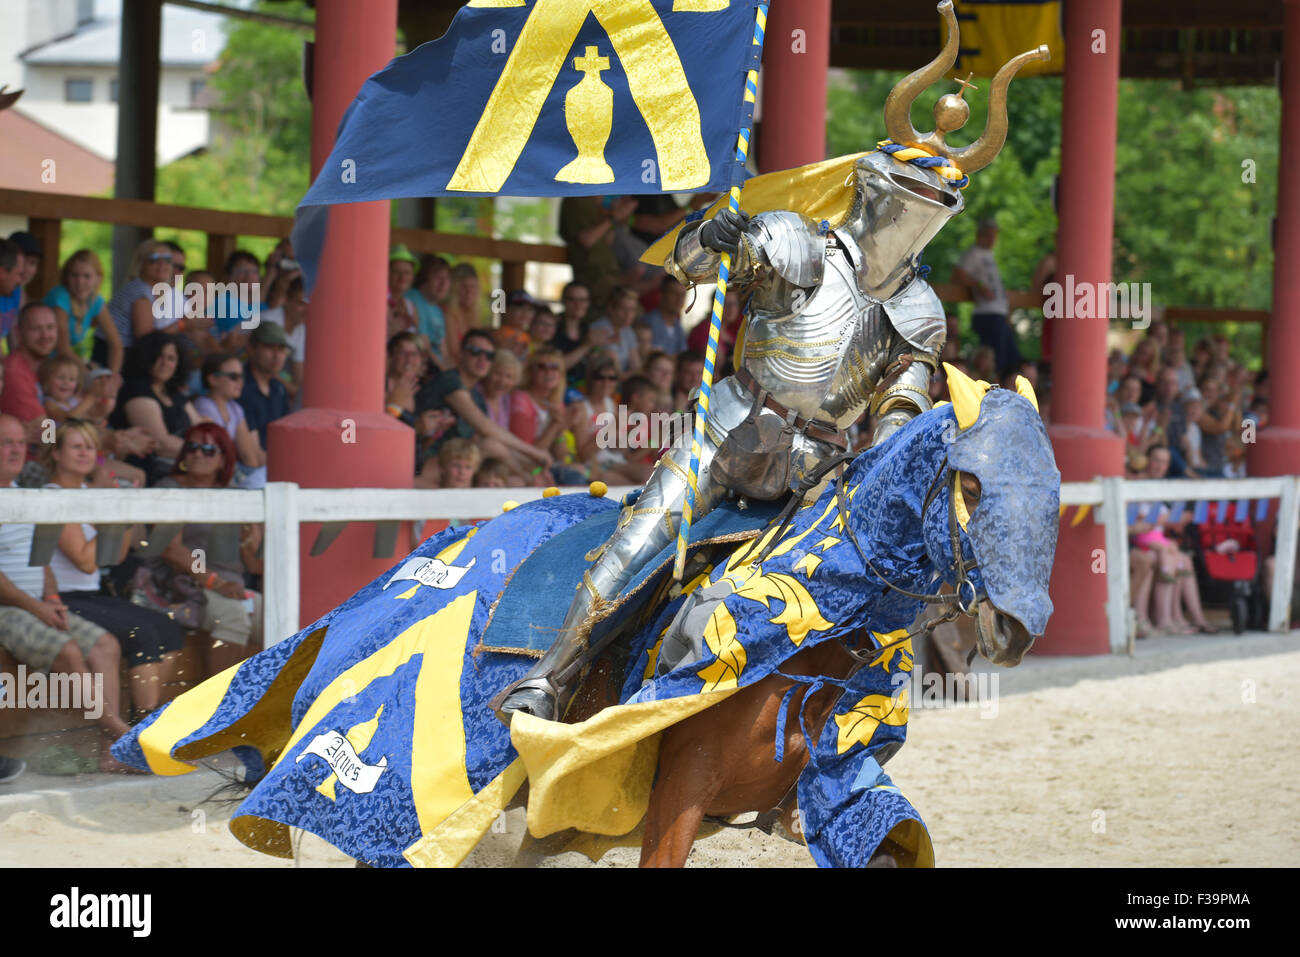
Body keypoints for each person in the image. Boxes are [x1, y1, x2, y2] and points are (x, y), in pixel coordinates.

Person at [0, 414, 135, 772]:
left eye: (19, 443)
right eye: (5, 442)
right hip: (7, 608)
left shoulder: (24, 495)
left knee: (107, 644)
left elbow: (39, 560)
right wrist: (37, 607)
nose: (14, 450)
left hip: (38, 604)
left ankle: (111, 754)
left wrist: (53, 600)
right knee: (68, 650)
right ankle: (125, 737)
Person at [42, 420, 185, 715]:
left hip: (92, 594)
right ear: (56, 453)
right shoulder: (53, 493)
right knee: (142, 633)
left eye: (90, 447)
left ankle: (141, 722)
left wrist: (122, 513)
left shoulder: (90, 492)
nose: (84, 453)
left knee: (170, 630)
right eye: (76, 446)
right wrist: (112, 509)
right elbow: (84, 560)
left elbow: (113, 557)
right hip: (62, 598)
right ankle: (139, 736)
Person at [152, 423, 264, 675]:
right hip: (186, 585)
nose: (198, 454)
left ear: (224, 459)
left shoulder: (235, 495)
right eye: (192, 448)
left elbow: (256, 566)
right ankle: (219, 708)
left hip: (232, 589)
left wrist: (248, 539)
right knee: (234, 616)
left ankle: (280, 703)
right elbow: (171, 550)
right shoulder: (170, 488)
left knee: (280, 617)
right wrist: (216, 582)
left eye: (208, 450)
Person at [415, 329, 551, 475]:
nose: (482, 359)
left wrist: (533, 461)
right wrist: (533, 452)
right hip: (423, 462)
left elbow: (483, 437)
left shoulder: (476, 395)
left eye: (489, 356)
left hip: (455, 463)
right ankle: (529, 482)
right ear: (460, 354)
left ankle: (532, 478)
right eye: (475, 351)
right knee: (492, 446)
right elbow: (484, 426)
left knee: (509, 467)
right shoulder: (450, 381)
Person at [109, 331, 200, 483]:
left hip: (184, 466)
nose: (165, 363)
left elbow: (202, 427)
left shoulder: (175, 394)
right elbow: (161, 443)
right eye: (159, 356)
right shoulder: (136, 391)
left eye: (171, 358)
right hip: (152, 474)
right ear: (145, 358)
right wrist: (205, 451)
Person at [952, 218, 1018, 378]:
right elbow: (958, 275)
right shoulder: (973, 253)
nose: (992, 239)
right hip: (987, 314)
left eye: (994, 236)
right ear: (979, 235)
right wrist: (979, 285)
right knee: (993, 361)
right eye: (988, 235)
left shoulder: (988, 255)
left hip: (998, 313)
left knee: (1010, 359)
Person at [44, 249, 124, 373]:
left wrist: (113, 377)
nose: (80, 282)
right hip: (45, 363)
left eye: (87, 276)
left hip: (62, 366)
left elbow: (116, 345)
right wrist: (90, 373)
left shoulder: (95, 301)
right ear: (66, 277)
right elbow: (62, 349)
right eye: (74, 275)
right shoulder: (60, 297)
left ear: (98, 278)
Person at [194, 353, 267, 487]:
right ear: (212, 379)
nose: (240, 382)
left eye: (242, 377)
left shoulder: (235, 408)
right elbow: (216, 453)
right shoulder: (203, 406)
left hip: (233, 471)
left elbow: (249, 457)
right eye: (233, 377)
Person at [560, 194, 640, 307]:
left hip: (610, 275)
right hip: (594, 276)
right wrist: (614, 217)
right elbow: (587, 240)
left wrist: (614, 212)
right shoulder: (578, 200)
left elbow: (608, 239)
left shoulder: (599, 203)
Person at [105, 240, 181, 354]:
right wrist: (183, 324)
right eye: (154, 259)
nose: (162, 264)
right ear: (141, 264)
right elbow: (147, 341)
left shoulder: (146, 289)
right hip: (114, 355)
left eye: (167, 259)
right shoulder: (140, 294)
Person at [2, 303, 60, 444]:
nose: (45, 335)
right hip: (30, 461)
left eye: (50, 327)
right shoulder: (15, 372)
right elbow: (47, 436)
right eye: (36, 329)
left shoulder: (53, 365)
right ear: (18, 333)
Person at [239, 322, 293, 470]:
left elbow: (286, 437)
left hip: (274, 466)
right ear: (251, 348)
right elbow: (253, 452)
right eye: (269, 347)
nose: (277, 355)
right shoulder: (239, 386)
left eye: (281, 349)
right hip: (247, 470)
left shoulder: (278, 388)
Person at [405, 257, 450, 365]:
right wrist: (444, 373)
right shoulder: (413, 299)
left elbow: (443, 351)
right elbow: (424, 347)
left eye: (447, 278)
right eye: (438, 277)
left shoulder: (437, 310)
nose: (443, 283)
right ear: (424, 278)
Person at [589, 286, 644, 372]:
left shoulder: (627, 330)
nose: (628, 315)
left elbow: (637, 366)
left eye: (632, 309)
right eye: (623, 309)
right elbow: (616, 374)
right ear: (610, 308)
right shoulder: (600, 328)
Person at [441, 264, 482, 365]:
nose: (469, 291)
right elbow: (454, 353)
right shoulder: (447, 313)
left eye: (473, 287)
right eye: (464, 286)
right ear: (454, 288)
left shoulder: (473, 317)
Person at [643, 275, 689, 356]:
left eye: (683, 294)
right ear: (662, 295)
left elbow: (682, 356)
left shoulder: (678, 326)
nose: (680, 299)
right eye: (674, 293)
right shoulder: (648, 323)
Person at [386, 246, 420, 339]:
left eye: (407, 273)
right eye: (397, 272)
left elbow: (416, 341)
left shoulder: (411, 306)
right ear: (386, 272)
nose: (403, 277)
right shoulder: (379, 302)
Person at [495, 290, 537, 361]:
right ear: (506, 309)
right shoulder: (500, 335)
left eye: (529, 309)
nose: (525, 313)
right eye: (520, 307)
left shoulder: (528, 336)